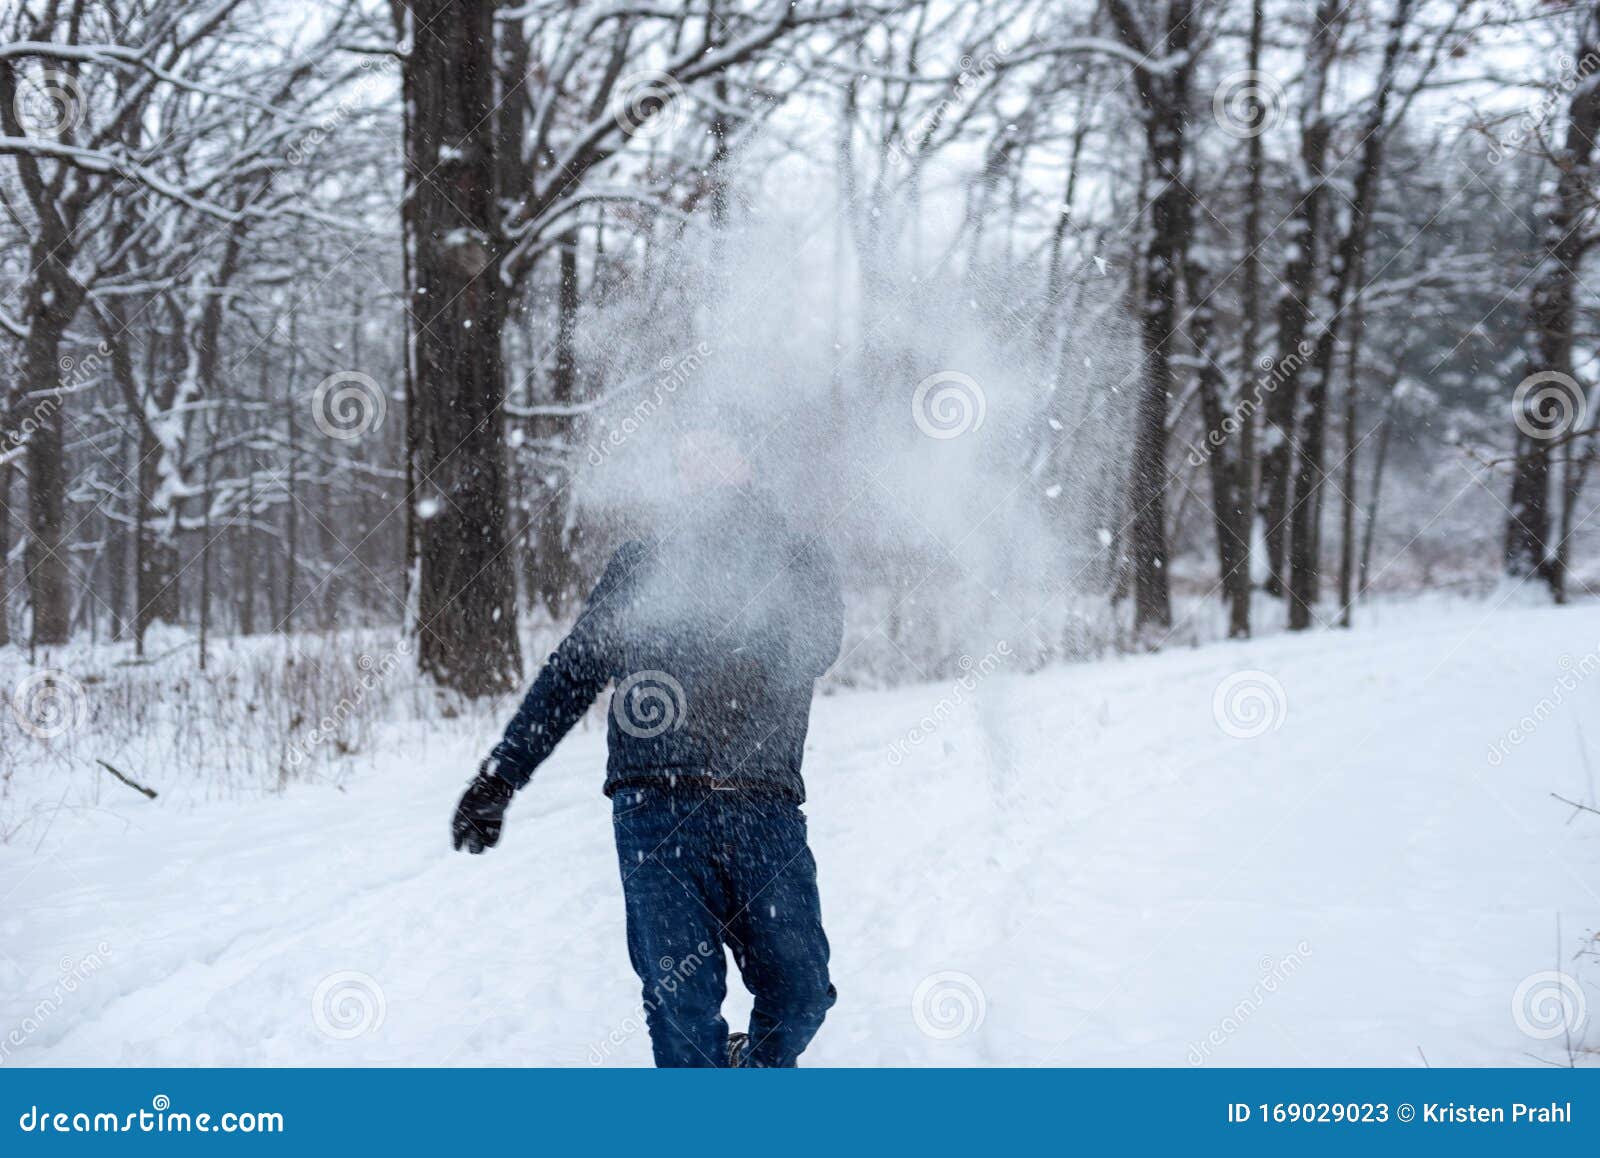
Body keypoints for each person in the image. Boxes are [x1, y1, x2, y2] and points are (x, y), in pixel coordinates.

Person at [451, 425, 843, 1068]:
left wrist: (748, 633)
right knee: (680, 1007)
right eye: (687, 451)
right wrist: (502, 774)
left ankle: (754, 1072)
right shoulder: (641, 563)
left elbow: (819, 645)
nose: (698, 462)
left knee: (801, 993)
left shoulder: (797, 558)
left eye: (717, 444)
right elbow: (572, 673)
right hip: (654, 808)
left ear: (750, 458)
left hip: (763, 803)